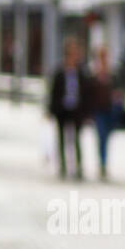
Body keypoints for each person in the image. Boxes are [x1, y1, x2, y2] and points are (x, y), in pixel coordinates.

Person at [47, 37, 91, 180]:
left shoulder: (81, 72)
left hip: (77, 110)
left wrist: (87, 112)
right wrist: (50, 110)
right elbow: (53, 92)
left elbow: (86, 92)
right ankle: (63, 166)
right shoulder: (60, 71)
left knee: (77, 139)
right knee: (61, 139)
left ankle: (78, 167)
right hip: (62, 109)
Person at [89, 45, 118, 180]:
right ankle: (102, 163)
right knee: (101, 136)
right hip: (98, 110)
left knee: (107, 137)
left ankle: (104, 162)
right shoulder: (93, 73)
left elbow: (118, 89)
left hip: (110, 110)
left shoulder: (113, 73)